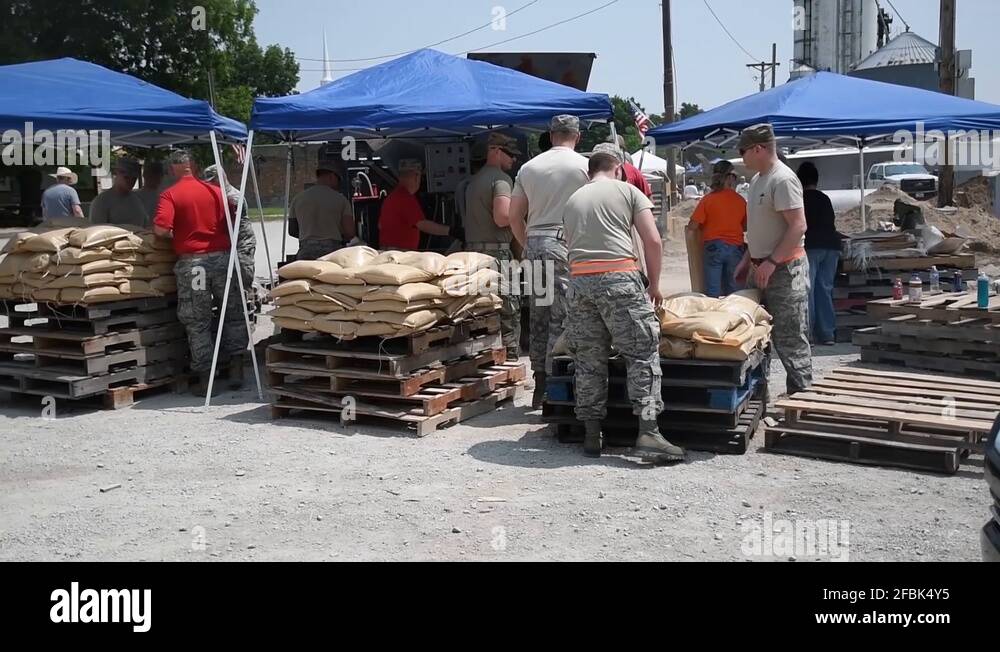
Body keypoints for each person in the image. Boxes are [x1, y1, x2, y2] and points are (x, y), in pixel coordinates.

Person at [563, 151, 685, 462]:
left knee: (589, 360)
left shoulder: (573, 199)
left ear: (590, 172)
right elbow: (653, 240)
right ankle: (648, 431)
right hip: (619, 278)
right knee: (642, 353)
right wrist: (654, 285)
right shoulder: (629, 191)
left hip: (579, 283)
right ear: (618, 169)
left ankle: (592, 434)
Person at [509, 115, 590, 409]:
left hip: (535, 244)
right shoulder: (584, 166)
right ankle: (555, 386)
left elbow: (513, 216)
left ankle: (539, 381)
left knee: (539, 313)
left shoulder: (529, 167)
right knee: (562, 315)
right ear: (577, 137)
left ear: (551, 134)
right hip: (564, 244)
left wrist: (526, 241)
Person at [153, 150, 248, 393]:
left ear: (173, 169)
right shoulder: (217, 192)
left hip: (194, 265)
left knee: (198, 319)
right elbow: (234, 221)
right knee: (233, 311)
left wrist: (180, 234)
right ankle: (236, 366)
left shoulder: (170, 195)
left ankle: (207, 378)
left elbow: (161, 230)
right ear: (194, 166)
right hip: (224, 260)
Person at [734, 124, 813, 395]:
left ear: (759, 148)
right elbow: (762, 227)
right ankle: (759, 399)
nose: (741, 157)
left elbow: (798, 226)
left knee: (790, 338)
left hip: (784, 269)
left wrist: (771, 262)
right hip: (762, 267)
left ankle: (802, 400)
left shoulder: (782, 179)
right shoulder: (758, 180)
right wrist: (749, 258)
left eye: (743, 151)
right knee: (759, 337)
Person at [464, 133, 522, 361]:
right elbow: (502, 217)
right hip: (496, 254)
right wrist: (524, 212)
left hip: (473, 255)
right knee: (508, 309)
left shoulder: (473, 182)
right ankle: (510, 359)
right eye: (510, 154)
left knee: (481, 308)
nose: (514, 160)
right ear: (496, 151)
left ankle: (484, 357)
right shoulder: (501, 180)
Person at [797, 161, 844, 346]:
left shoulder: (799, 199)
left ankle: (808, 334)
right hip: (831, 246)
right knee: (825, 289)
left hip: (811, 246)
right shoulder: (825, 198)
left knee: (808, 290)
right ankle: (827, 334)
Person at [687, 160, 747, 297]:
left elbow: (693, 225)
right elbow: (745, 226)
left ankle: (714, 317)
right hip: (736, 248)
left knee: (713, 292)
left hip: (713, 247)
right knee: (735, 293)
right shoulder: (740, 201)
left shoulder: (708, 200)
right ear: (730, 177)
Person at [379, 159, 459, 250]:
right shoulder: (405, 198)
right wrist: (452, 231)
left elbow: (380, 225)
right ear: (416, 177)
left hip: (390, 251)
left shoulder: (392, 197)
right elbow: (423, 225)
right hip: (400, 254)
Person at [204, 164, 257, 289]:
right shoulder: (215, 195)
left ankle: (249, 293)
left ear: (222, 178)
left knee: (243, 270)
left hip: (242, 240)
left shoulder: (233, 197)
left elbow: (229, 222)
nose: (211, 184)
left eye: (213, 180)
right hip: (227, 240)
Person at [288, 166, 355, 261]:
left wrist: (310, 237)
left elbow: (292, 230)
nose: (339, 184)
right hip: (333, 253)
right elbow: (350, 232)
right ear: (332, 177)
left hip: (306, 252)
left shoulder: (298, 199)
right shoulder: (341, 200)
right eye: (338, 180)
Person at [89, 158, 148, 227]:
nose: (131, 181)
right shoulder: (101, 201)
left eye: (134, 178)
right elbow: (97, 231)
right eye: (126, 177)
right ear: (116, 174)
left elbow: (144, 224)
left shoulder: (137, 199)